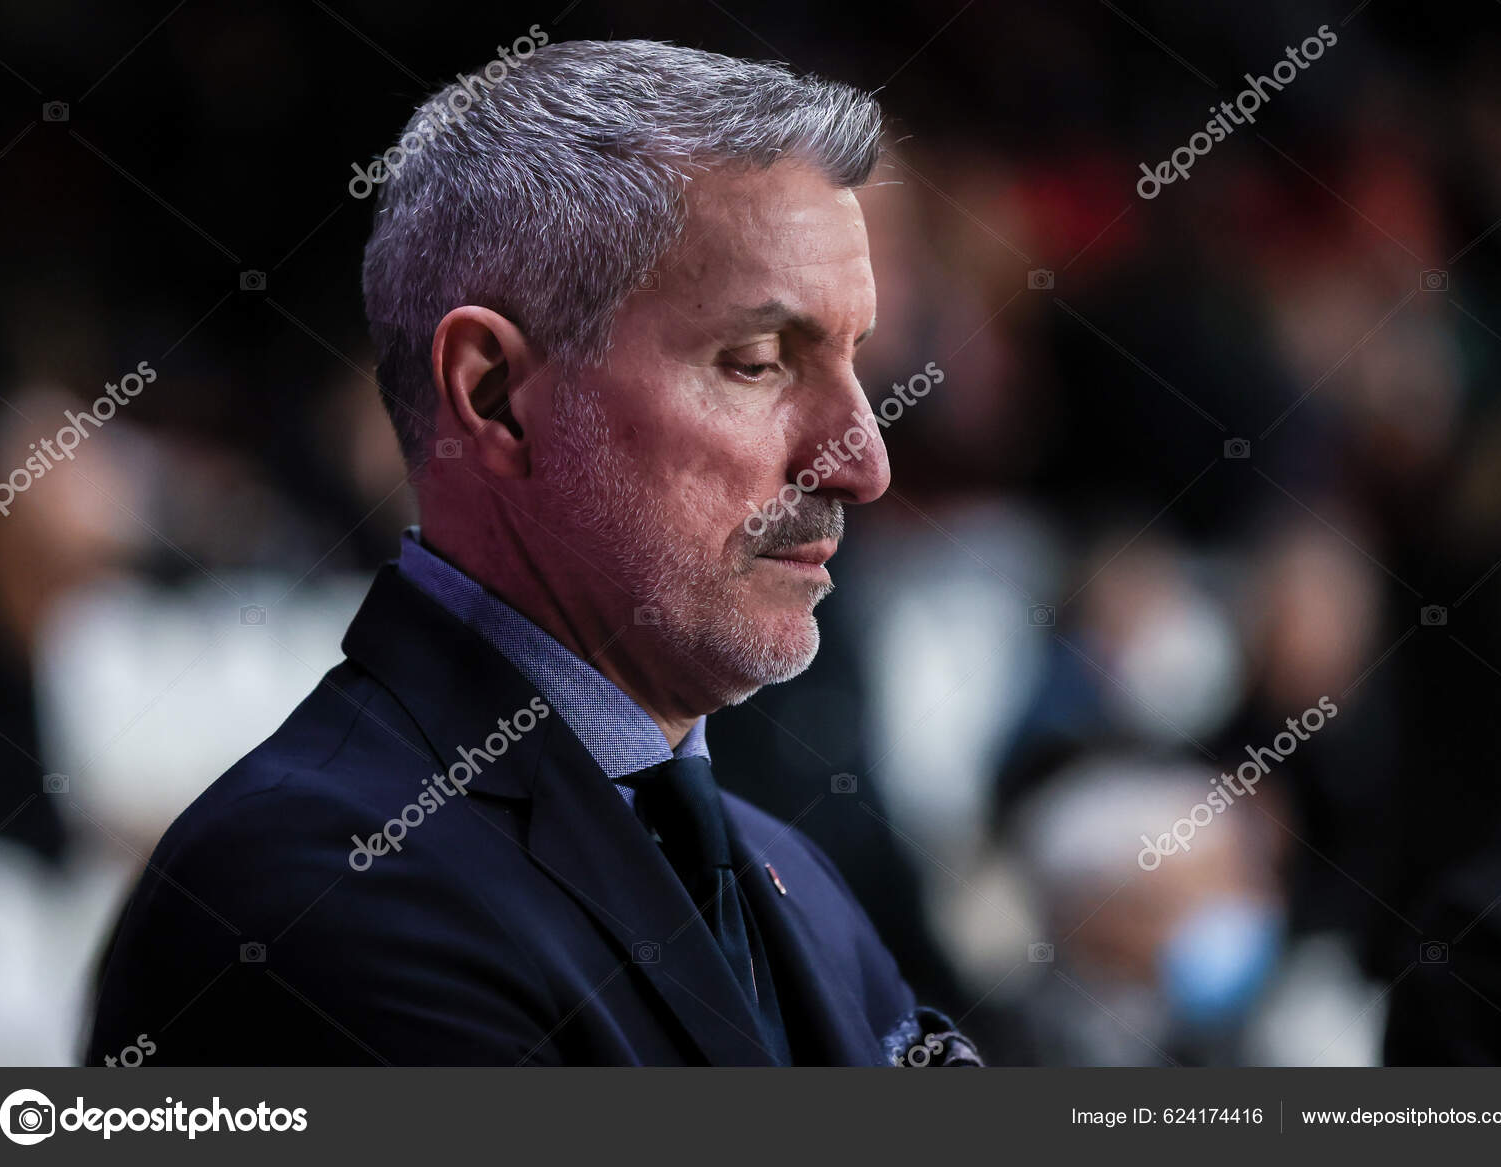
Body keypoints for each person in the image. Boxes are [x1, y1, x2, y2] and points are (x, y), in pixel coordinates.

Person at [84, 39, 979, 1067]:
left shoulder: (794, 881)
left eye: (858, 362)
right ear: (498, 399)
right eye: (760, 364)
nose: (861, 462)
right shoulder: (314, 889)